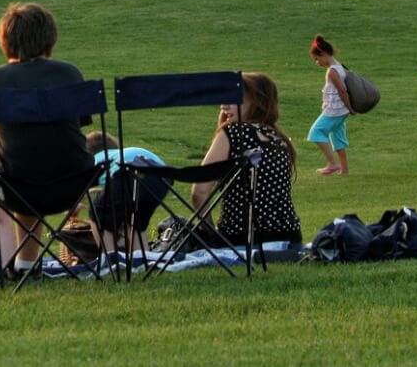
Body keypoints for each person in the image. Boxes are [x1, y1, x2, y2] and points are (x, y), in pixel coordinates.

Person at [0, 4, 96, 284]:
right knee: (34, 158)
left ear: (5, 41)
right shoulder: (69, 74)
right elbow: (74, 130)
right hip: (74, 182)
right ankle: (26, 264)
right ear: (50, 39)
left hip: (20, 186)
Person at [192, 73, 301, 247]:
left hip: (241, 238)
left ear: (258, 101)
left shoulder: (233, 133)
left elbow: (199, 192)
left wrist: (211, 234)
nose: (224, 106)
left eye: (234, 100)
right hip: (289, 237)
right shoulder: (280, 139)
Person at [81, 131, 168, 253]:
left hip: (128, 171)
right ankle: (141, 258)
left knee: (97, 213)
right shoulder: (118, 153)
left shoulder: (94, 160)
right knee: (135, 222)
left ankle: (110, 259)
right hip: (162, 176)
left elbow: (81, 188)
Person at [306, 36, 353, 176]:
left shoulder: (332, 71)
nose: (317, 62)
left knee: (315, 133)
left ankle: (333, 164)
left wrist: (350, 107)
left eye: (317, 58)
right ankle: (344, 170)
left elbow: (342, 90)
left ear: (324, 54)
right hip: (341, 111)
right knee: (337, 137)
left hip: (334, 110)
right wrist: (348, 109)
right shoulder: (340, 66)